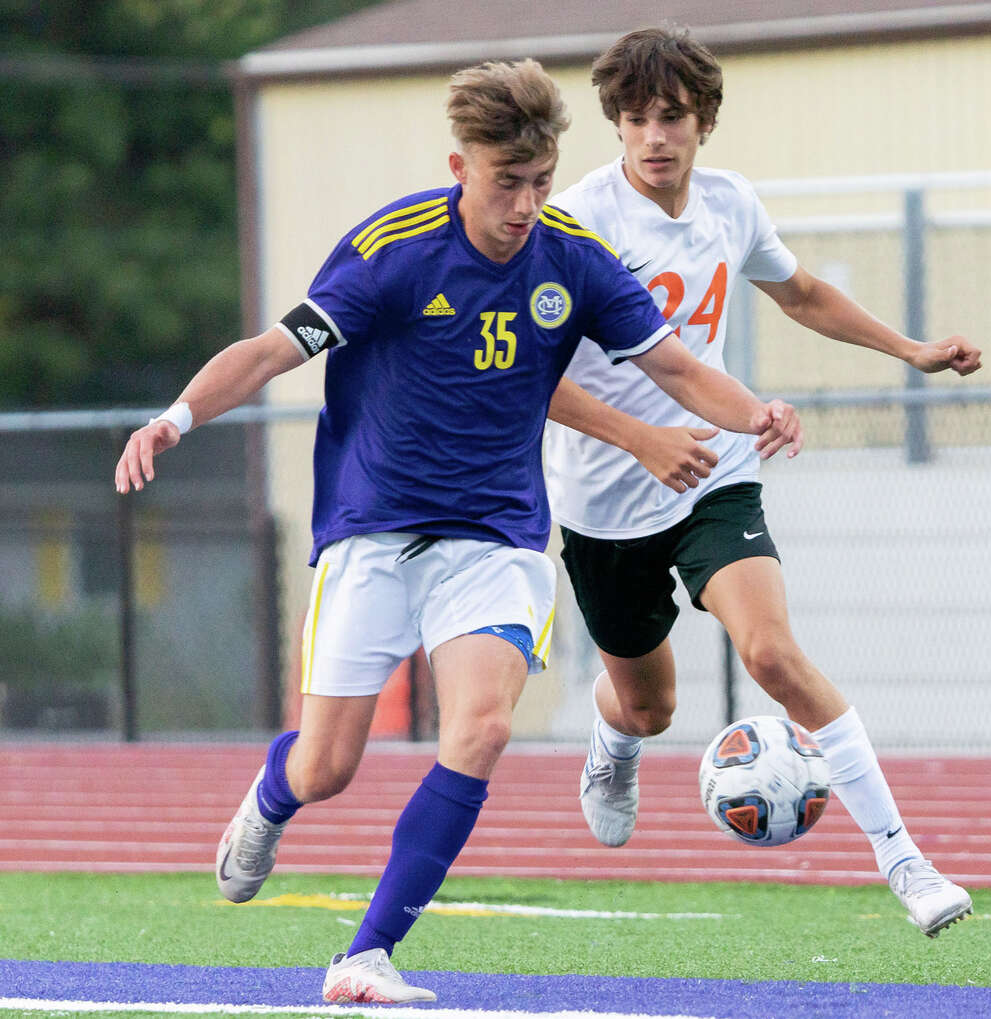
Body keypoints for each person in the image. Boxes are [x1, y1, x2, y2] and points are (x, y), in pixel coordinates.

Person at [114, 58, 802, 1004]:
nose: (525, 205)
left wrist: (754, 411)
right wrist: (175, 417)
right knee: (327, 766)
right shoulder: (392, 250)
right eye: (506, 182)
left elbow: (679, 369)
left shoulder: (572, 256)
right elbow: (272, 351)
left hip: (497, 535)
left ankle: (366, 954)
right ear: (460, 166)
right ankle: (272, 797)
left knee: (479, 727)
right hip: (375, 527)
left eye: (541, 183)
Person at [543, 27, 982, 938]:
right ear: (615, 126)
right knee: (647, 704)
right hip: (603, 499)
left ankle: (905, 859)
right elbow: (531, 375)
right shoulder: (575, 222)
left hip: (715, 476)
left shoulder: (732, 205)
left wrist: (912, 349)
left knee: (773, 656)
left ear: (704, 121)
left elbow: (803, 292)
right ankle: (613, 744)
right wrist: (638, 437)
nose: (654, 136)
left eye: (672, 116)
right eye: (635, 119)